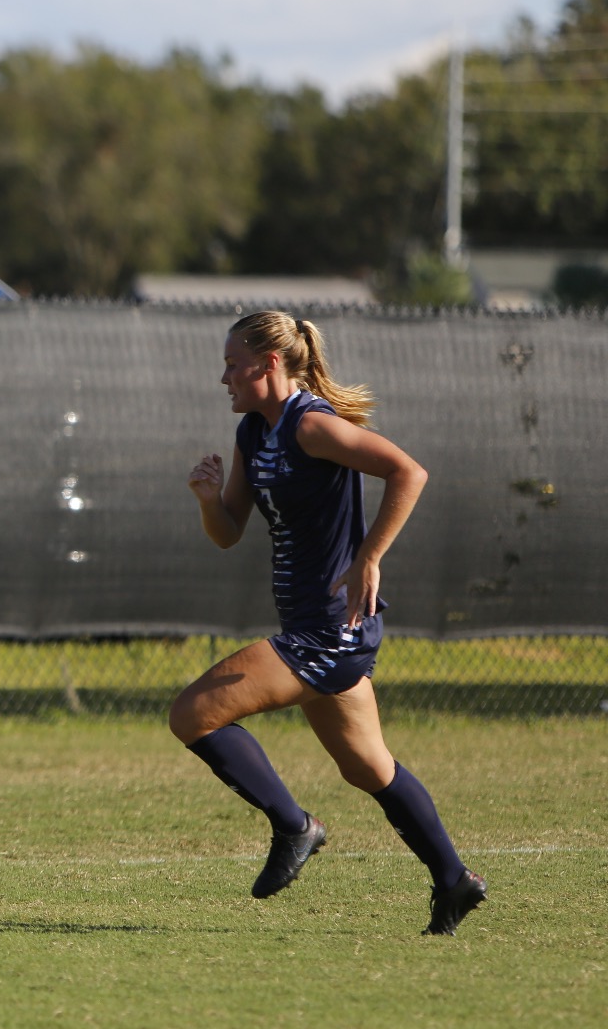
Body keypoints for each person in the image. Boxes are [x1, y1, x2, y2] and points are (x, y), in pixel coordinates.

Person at [173, 310, 485, 935]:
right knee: (368, 769)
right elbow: (229, 533)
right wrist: (210, 503)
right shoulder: (253, 435)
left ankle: (295, 826)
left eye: (233, 364)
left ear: (268, 365)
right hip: (313, 625)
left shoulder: (311, 426)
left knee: (193, 714)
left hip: (327, 631)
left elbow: (408, 471)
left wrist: (369, 556)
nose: (223, 376)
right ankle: (453, 881)